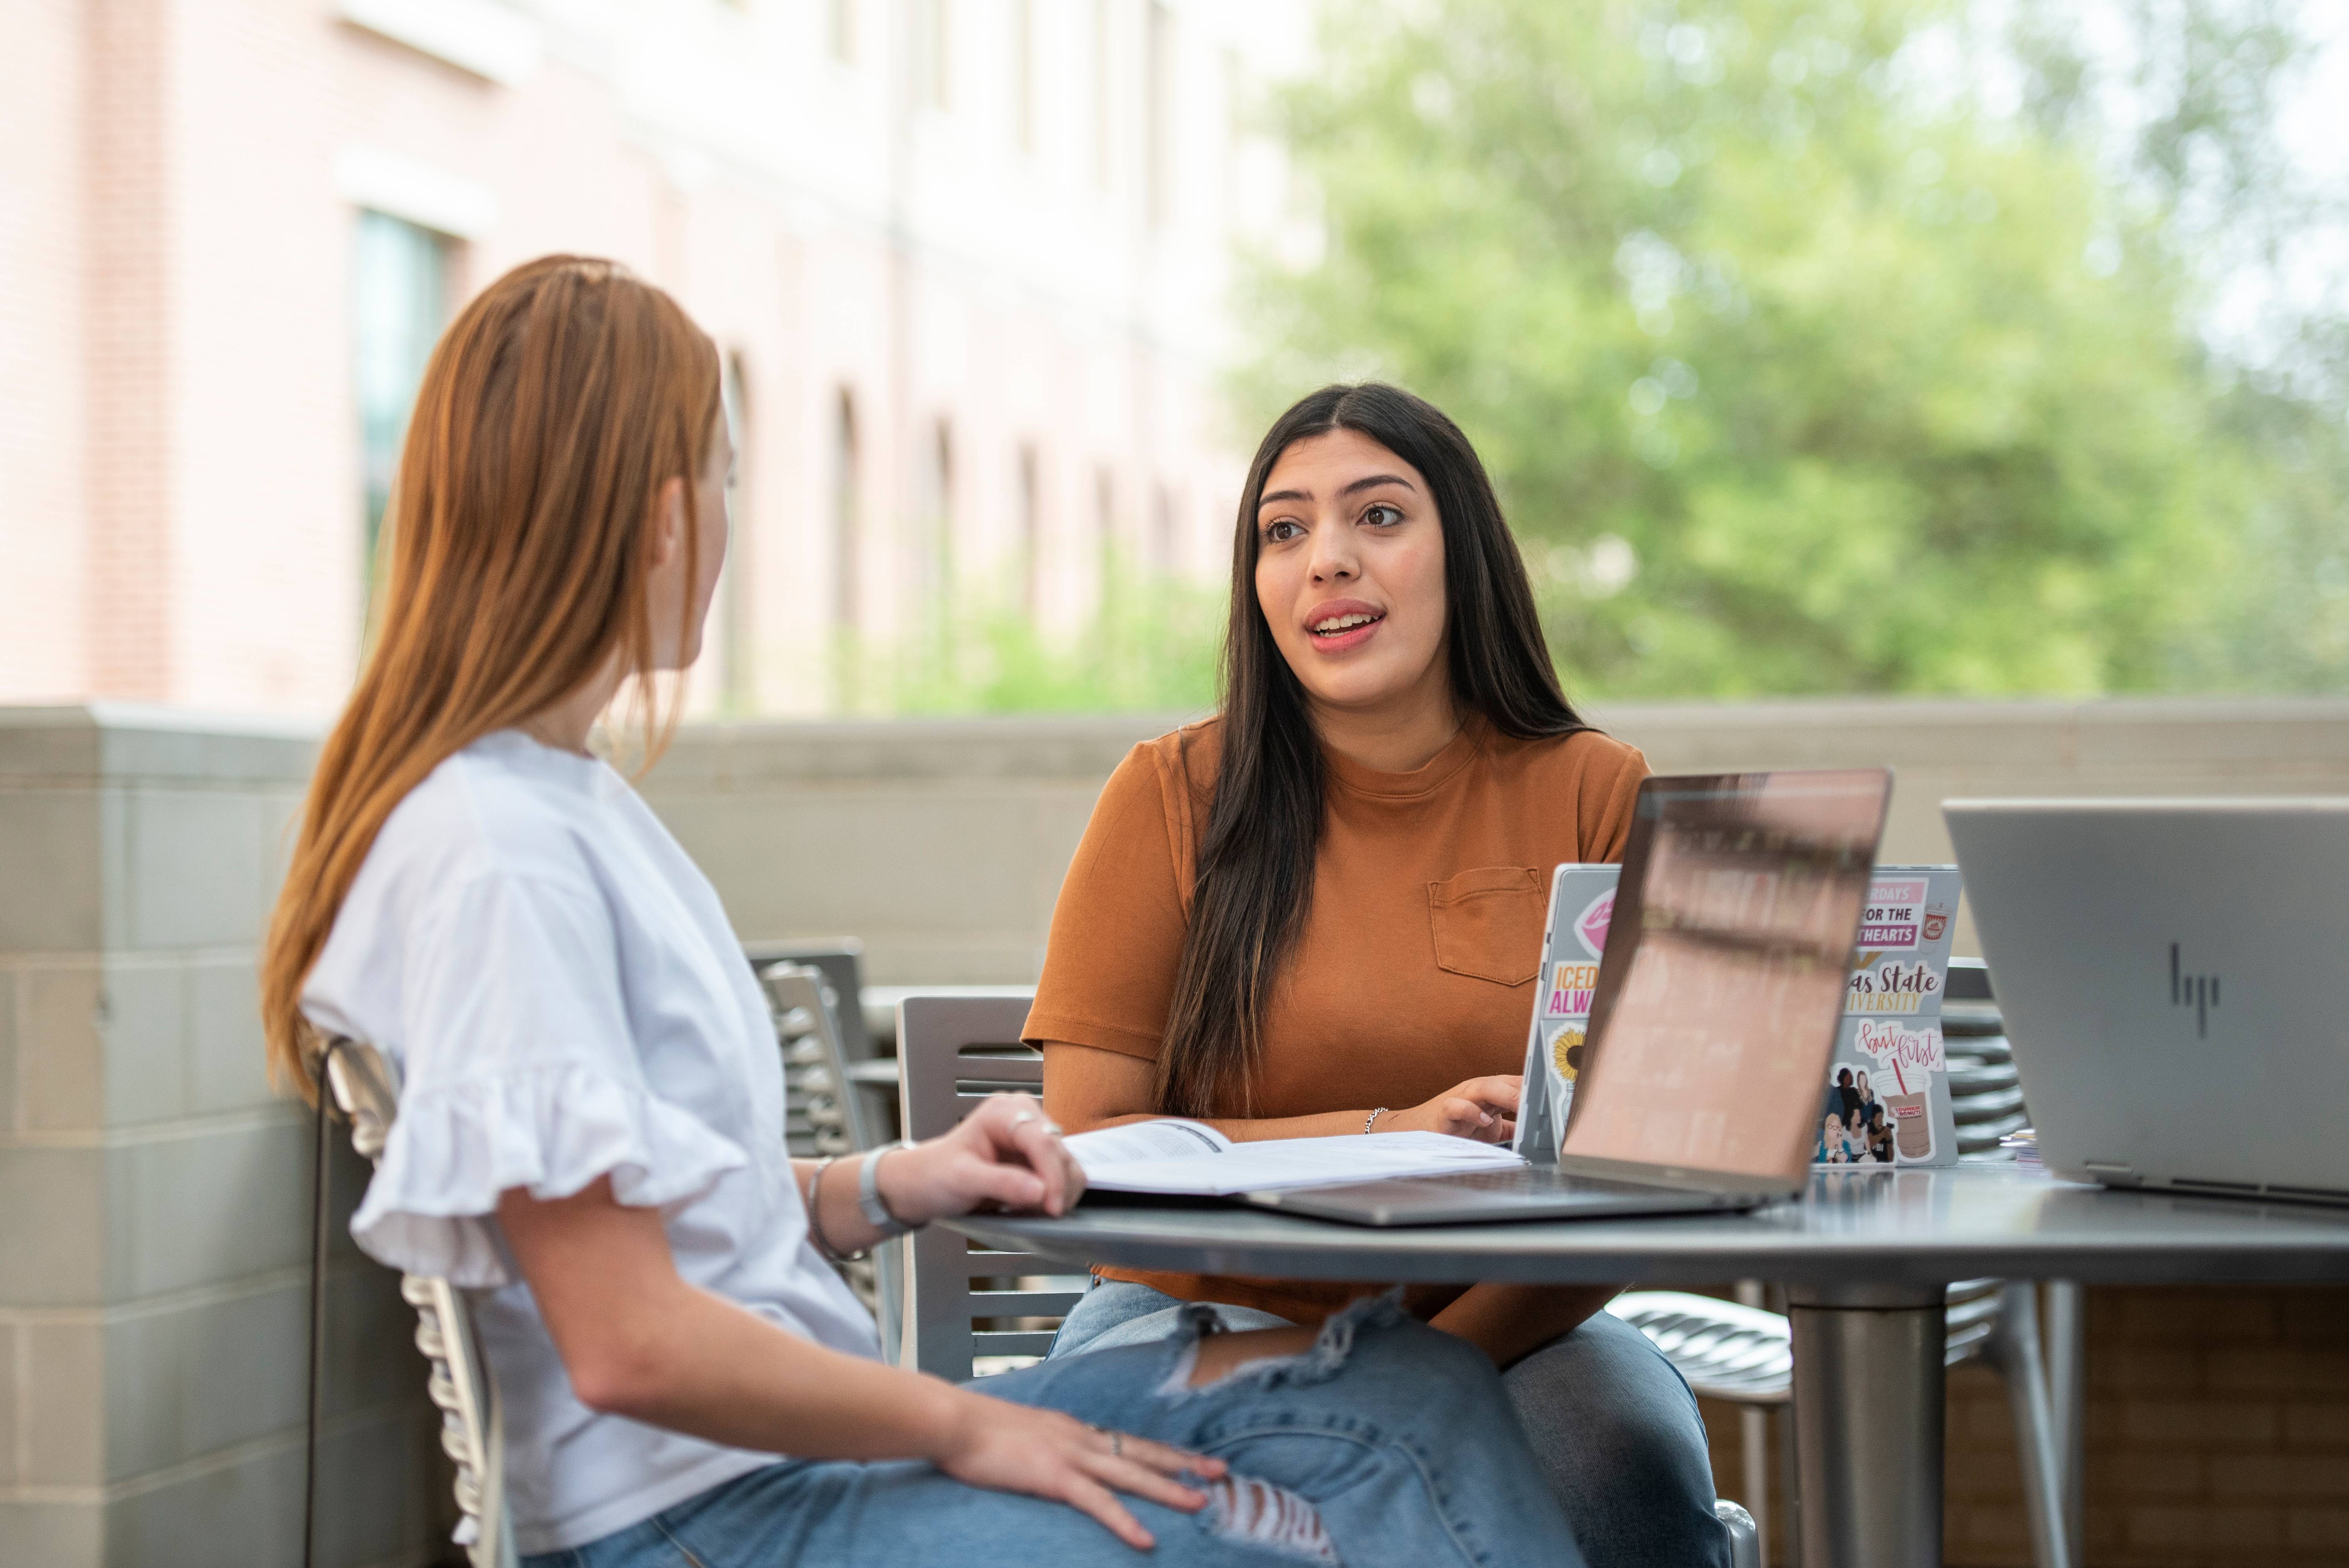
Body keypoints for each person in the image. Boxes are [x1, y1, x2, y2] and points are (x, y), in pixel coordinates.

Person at [258, 263, 1584, 1568]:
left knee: (1423, 1394)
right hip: (714, 1519)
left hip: (796, 1467)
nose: (731, 518)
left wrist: (890, 1182)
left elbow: (645, 1204)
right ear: (660, 516)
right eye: (725, 477)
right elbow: (629, 1342)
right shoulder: (499, 853)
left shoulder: (567, 804)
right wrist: (969, 1427)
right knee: (1349, 1482)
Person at [1030, 383, 1728, 1567]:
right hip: (1196, 1306)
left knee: (1623, 1469)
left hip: (1519, 1322)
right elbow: (1090, 1130)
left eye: (1379, 518)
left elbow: (1641, 1157)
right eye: (1284, 530)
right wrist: (1383, 1129)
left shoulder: (1593, 790)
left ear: (1465, 554)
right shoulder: (1166, 794)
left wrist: (1432, 1364)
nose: (1326, 563)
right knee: (1175, 1511)